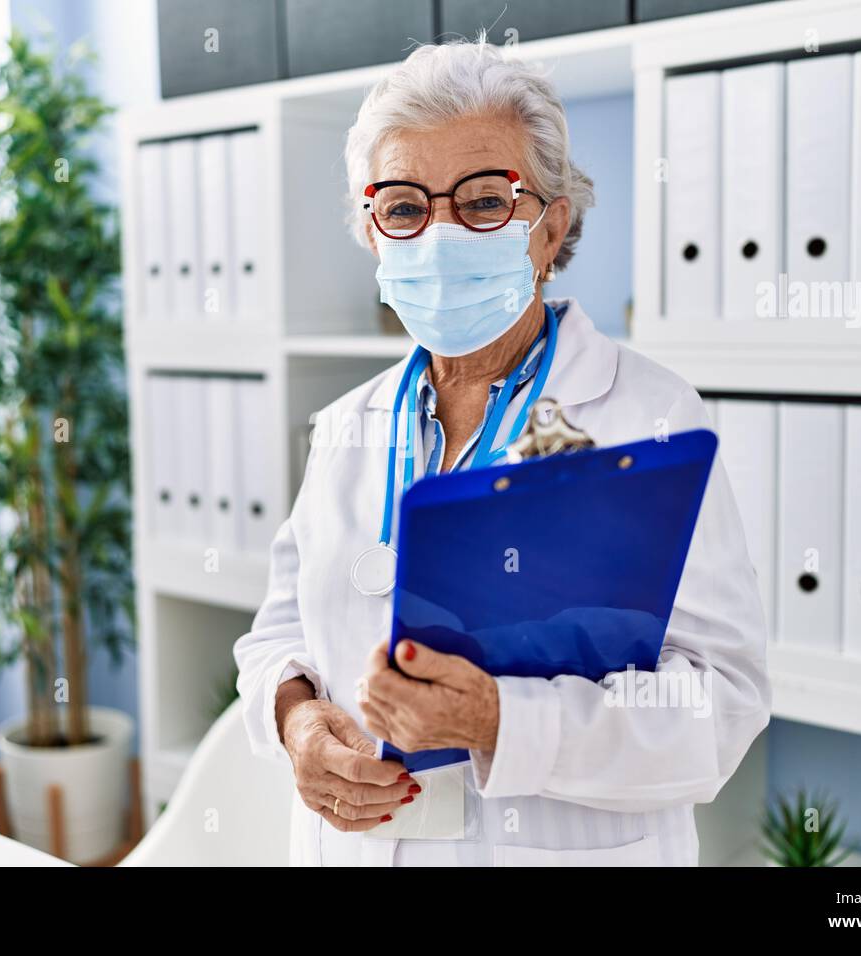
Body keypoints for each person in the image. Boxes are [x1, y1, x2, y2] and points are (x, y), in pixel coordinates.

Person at [233, 36, 769, 866]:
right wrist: (296, 719)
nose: (439, 233)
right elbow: (276, 635)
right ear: (374, 235)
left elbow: (723, 705)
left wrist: (499, 722)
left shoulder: (649, 415)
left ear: (552, 228)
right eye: (405, 206)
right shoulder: (345, 424)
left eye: (485, 201)